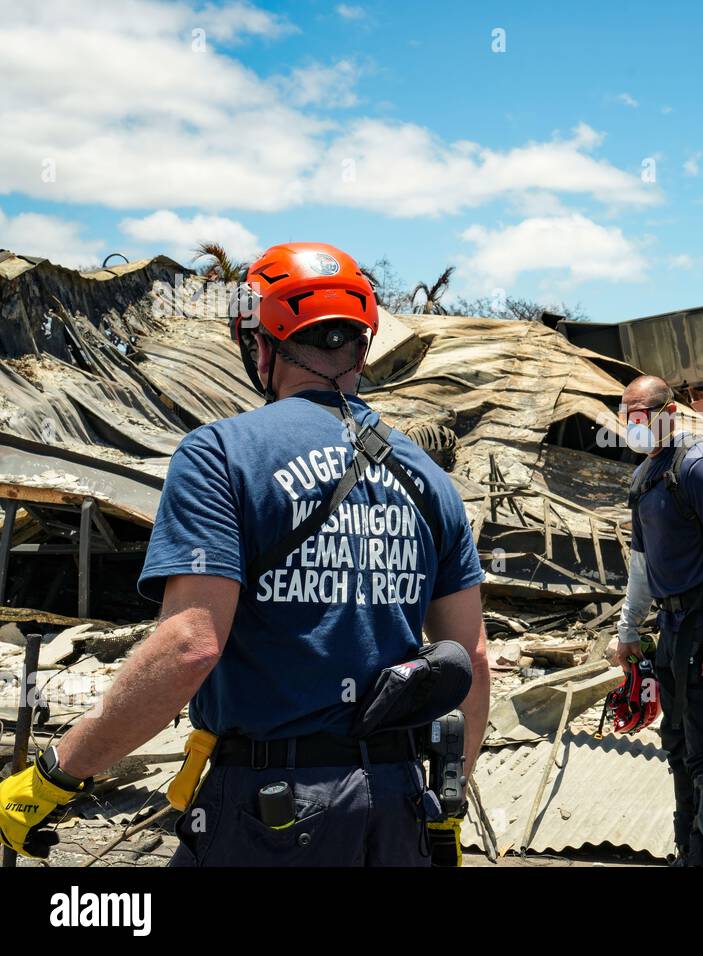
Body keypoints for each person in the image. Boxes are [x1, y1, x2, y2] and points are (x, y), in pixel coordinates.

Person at [0, 242, 489, 866]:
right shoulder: (429, 479)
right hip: (398, 809)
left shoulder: (221, 455)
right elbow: (469, 658)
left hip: (272, 811)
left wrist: (52, 775)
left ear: (260, 345)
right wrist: (446, 809)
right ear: (361, 347)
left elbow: (189, 647)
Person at [613, 374, 703, 866]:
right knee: (677, 747)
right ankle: (688, 854)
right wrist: (629, 631)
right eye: (625, 416)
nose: (631, 425)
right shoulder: (644, 477)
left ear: (667, 414)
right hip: (672, 631)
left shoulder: (700, 468)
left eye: (639, 416)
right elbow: (640, 565)